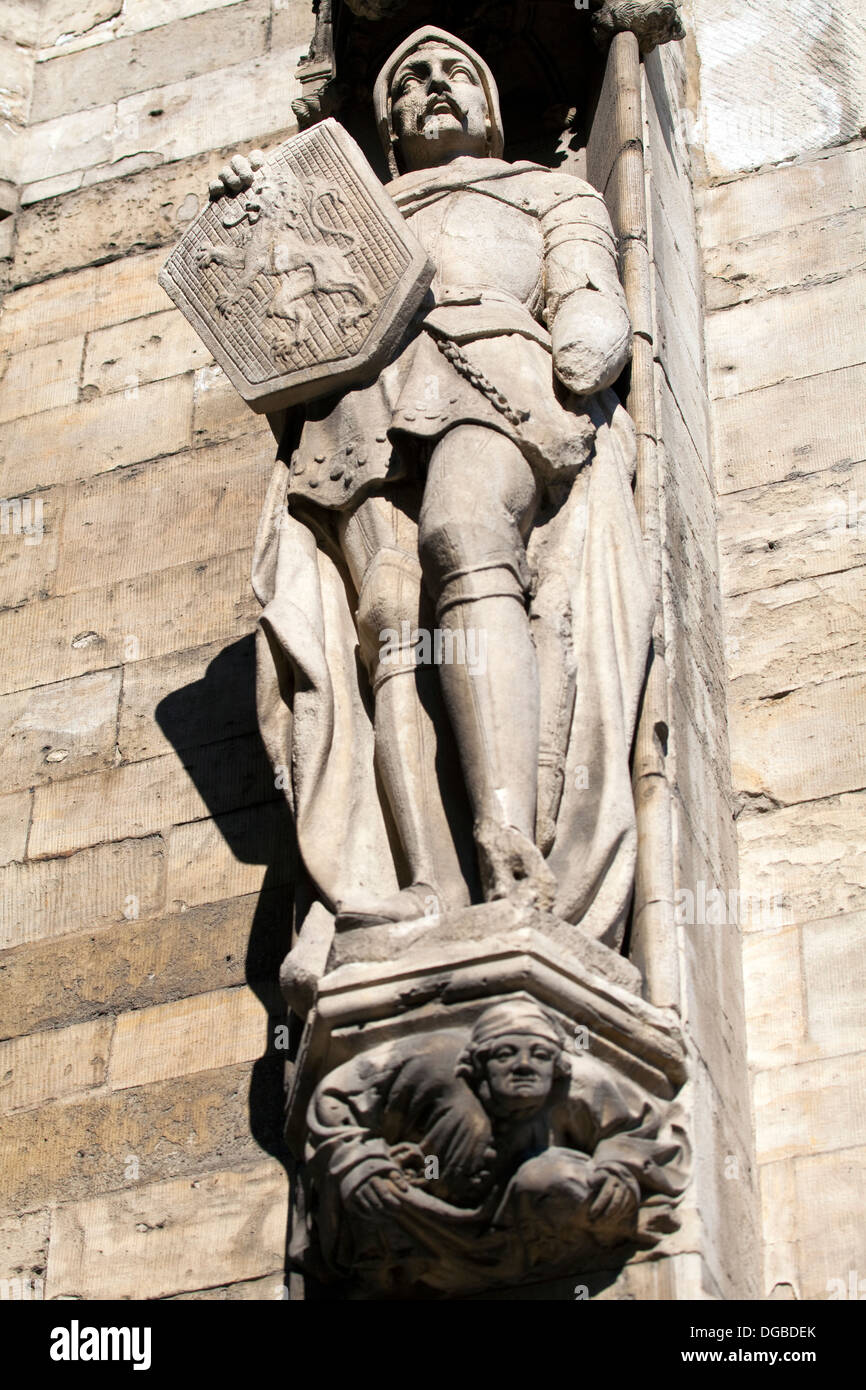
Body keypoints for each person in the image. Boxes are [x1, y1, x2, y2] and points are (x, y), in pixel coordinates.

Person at [215, 26, 655, 948]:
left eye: (458, 71)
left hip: (497, 372)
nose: (435, 85)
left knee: (464, 534)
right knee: (388, 614)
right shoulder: (356, 209)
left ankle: (506, 835)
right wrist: (255, 217)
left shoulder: (549, 190)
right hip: (360, 399)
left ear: (493, 108)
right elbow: (283, 313)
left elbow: (585, 287)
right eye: (410, 79)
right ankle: (427, 881)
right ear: (385, 122)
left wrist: (591, 329)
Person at [298, 998, 689, 1294]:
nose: (524, 1066)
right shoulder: (431, 1061)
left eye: (540, 1056)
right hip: (419, 1207)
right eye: (505, 1054)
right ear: (476, 1064)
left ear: (557, 1067)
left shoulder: (580, 1086)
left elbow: (640, 1128)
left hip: (518, 1225)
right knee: (369, 1199)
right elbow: (334, 1098)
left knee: (563, 1179)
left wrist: (617, 1167)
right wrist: (358, 1161)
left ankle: (547, 1255)